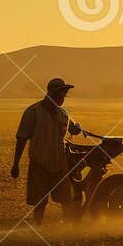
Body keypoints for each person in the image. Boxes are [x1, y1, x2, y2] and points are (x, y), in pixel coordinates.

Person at [12, 77, 83, 224]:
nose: (62, 99)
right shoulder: (33, 112)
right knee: (40, 198)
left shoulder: (63, 113)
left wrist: (77, 129)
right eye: (59, 96)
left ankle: (68, 224)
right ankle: (38, 225)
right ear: (50, 94)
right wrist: (16, 164)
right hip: (39, 161)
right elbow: (22, 138)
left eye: (63, 96)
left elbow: (72, 129)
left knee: (65, 197)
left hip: (59, 162)